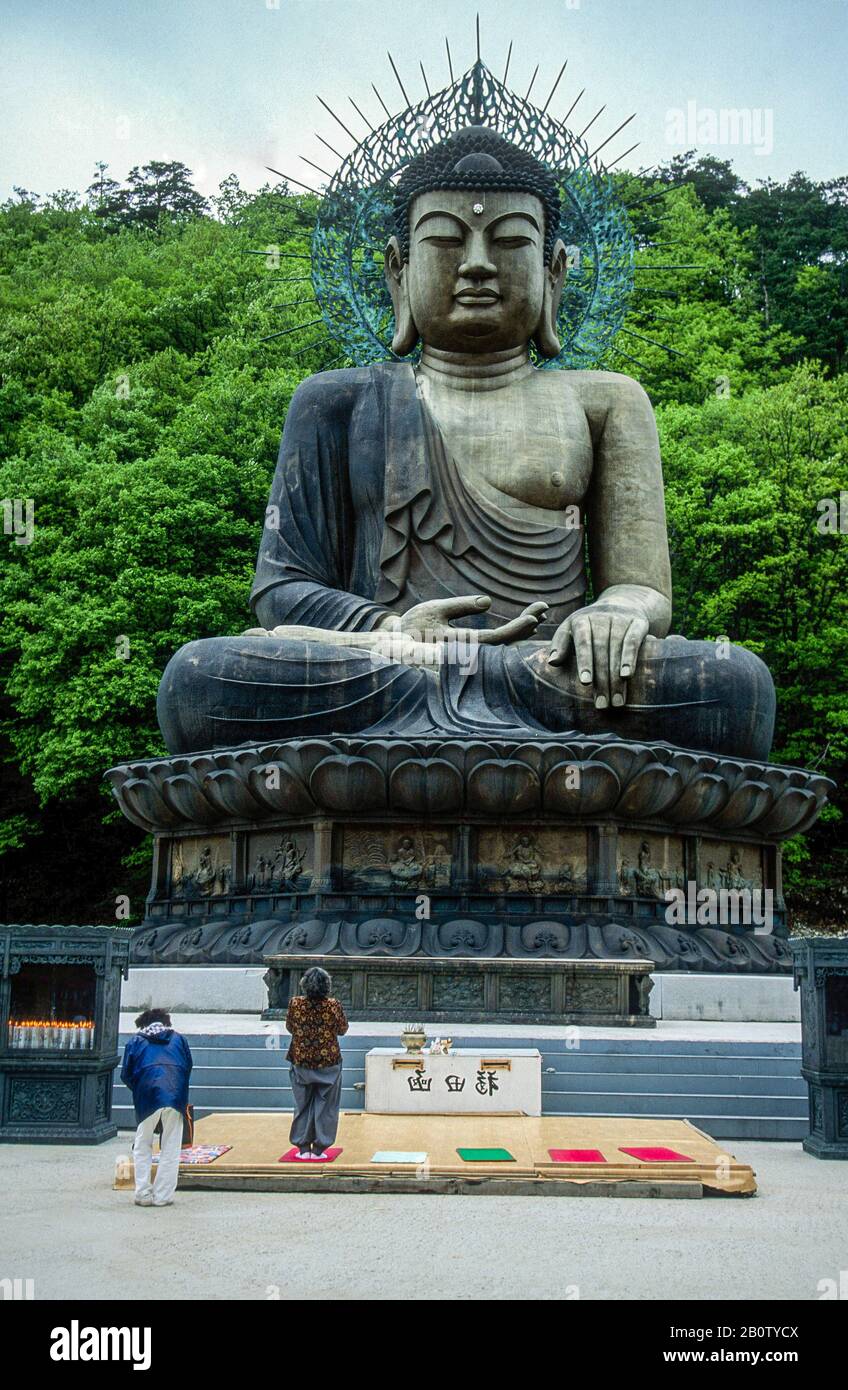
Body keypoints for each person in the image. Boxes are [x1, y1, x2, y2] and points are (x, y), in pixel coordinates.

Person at [120, 1008, 193, 1207]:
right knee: (171, 1146)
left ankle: (143, 1193)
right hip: (175, 1094)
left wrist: (139, 1088)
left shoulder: (135, 1041)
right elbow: (187, 1067)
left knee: (143, 1143)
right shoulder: (179, 1039)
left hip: (146, 1093)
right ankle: (163, 1195)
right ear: (165, 1023)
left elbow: (126, 1074)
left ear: (144, 1024)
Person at [285, 967, 348, 1160]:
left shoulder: (295, 1004)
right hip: (328, 1062)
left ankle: (303, 1147)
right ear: (327, 986)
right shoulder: (333, 1005)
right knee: (326, 1105)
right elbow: (342, 1029)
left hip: (301, 1061)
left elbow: (290, 1027)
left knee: (302, 1104)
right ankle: (320, 1148)